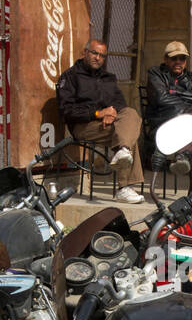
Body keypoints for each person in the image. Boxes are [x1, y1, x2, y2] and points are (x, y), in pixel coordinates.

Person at [56, 39, 144, 203]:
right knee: (128, 134)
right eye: (95, 53)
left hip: (108, 123)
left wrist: (112, 114)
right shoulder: (70, 76)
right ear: (85, 53)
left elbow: (120, 104)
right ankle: (125, 187)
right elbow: (66, 110)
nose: (98, 58)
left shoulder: (108, 78)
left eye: (102, 55)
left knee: (130, 114)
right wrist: (98, 113)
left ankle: (123, 151)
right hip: (83, 125)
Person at [145, 41, 192, 188]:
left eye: (182, 58)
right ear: (166, 60)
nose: (178, 62)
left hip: (183, 126)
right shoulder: (155, 74)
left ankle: (183, 155)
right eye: (174, 58)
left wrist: (175, 92)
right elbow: (161, 98)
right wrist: (186, 105)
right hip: (163, 125)